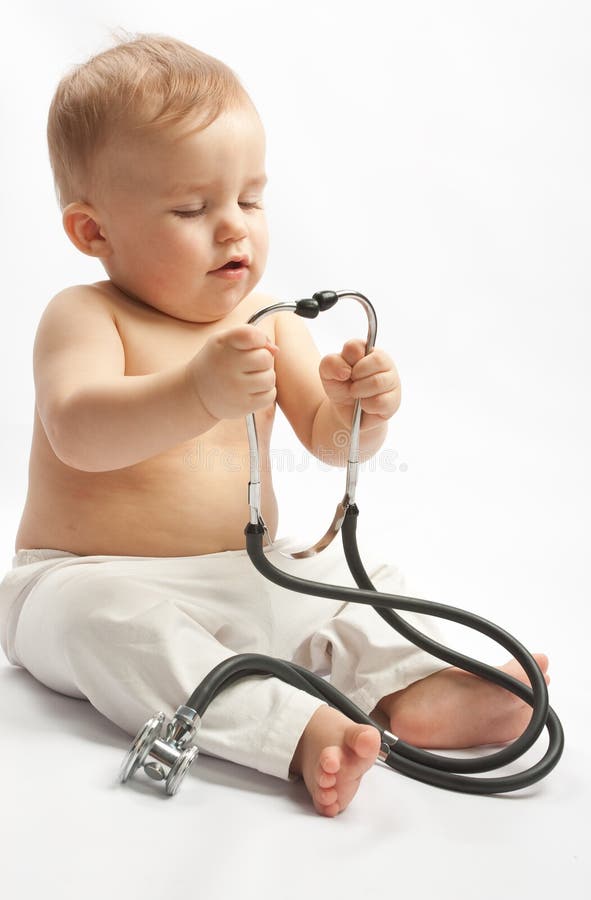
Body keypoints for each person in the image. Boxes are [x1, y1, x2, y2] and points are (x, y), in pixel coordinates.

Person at [0, 33, 548, 817]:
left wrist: (360, 411)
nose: (234, 228)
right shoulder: (84, 315)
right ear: (93, 233)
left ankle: (412, 686)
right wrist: (194, 391)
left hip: (247, 570)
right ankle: (292, 731)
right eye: (192, 208)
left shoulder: (267, 318)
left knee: (351, 583)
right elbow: (77, 432)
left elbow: (331, 440)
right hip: (84, 574)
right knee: (108, 625)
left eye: (249, 199)